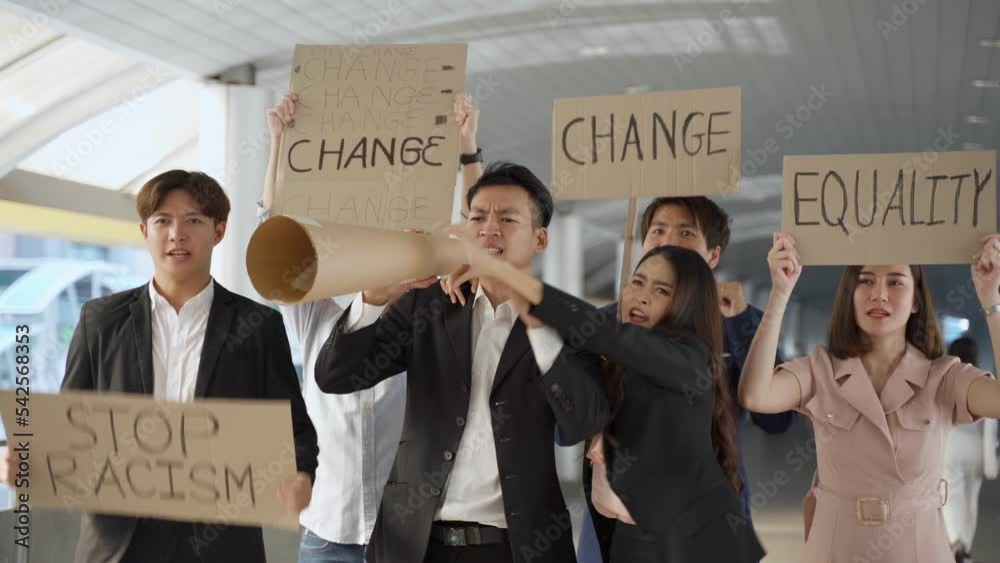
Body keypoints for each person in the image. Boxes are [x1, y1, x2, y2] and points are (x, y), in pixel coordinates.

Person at [0, 170, 319, 563]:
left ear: (218, 231)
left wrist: (301, 474)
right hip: (121, 543)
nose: (176, 234)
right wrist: (33, 462)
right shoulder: (100, 319)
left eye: (193, 221)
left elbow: (295, 428)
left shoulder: (257, 326)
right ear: (144, 231)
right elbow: (71, 424)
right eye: (162, 221)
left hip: (223, 541)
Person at [314, 161, 610, 563]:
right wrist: (374, 298)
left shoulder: (567, 322)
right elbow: (336, 375)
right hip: (415, 545)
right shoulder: (429, 306)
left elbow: (582, 422)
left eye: (507, 218)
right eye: (477, 217)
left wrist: (536, 319)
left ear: (540, 239)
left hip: (516, 547)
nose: (489, 228)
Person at [447, 238, 766, 562]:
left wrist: (518, 282)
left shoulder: (688, 359)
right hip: (630, 537)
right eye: (637, 282)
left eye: (661, 291)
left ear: (688, 305)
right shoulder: (616, 366)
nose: (641, 296)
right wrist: (509, 301)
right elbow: (574, 404)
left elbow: (608, 334)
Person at [739, 232, 1000, 563]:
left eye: (895, 282)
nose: (879, 294)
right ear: (850, 295)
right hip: (836, 548)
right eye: (866, 282)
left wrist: (991, 300)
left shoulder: (944, 377)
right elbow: (755, 395)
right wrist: (780, 293)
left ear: (917, 300)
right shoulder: (820, 371)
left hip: (917, 549)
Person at [942, 336, 998, 563]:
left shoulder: (945, 379)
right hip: (975, 450)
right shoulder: (981, 380)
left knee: (949, 497)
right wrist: (991, 464)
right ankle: (965, 546)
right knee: (969, 500)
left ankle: (954, 542)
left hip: (949, 448)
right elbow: (991, 424)